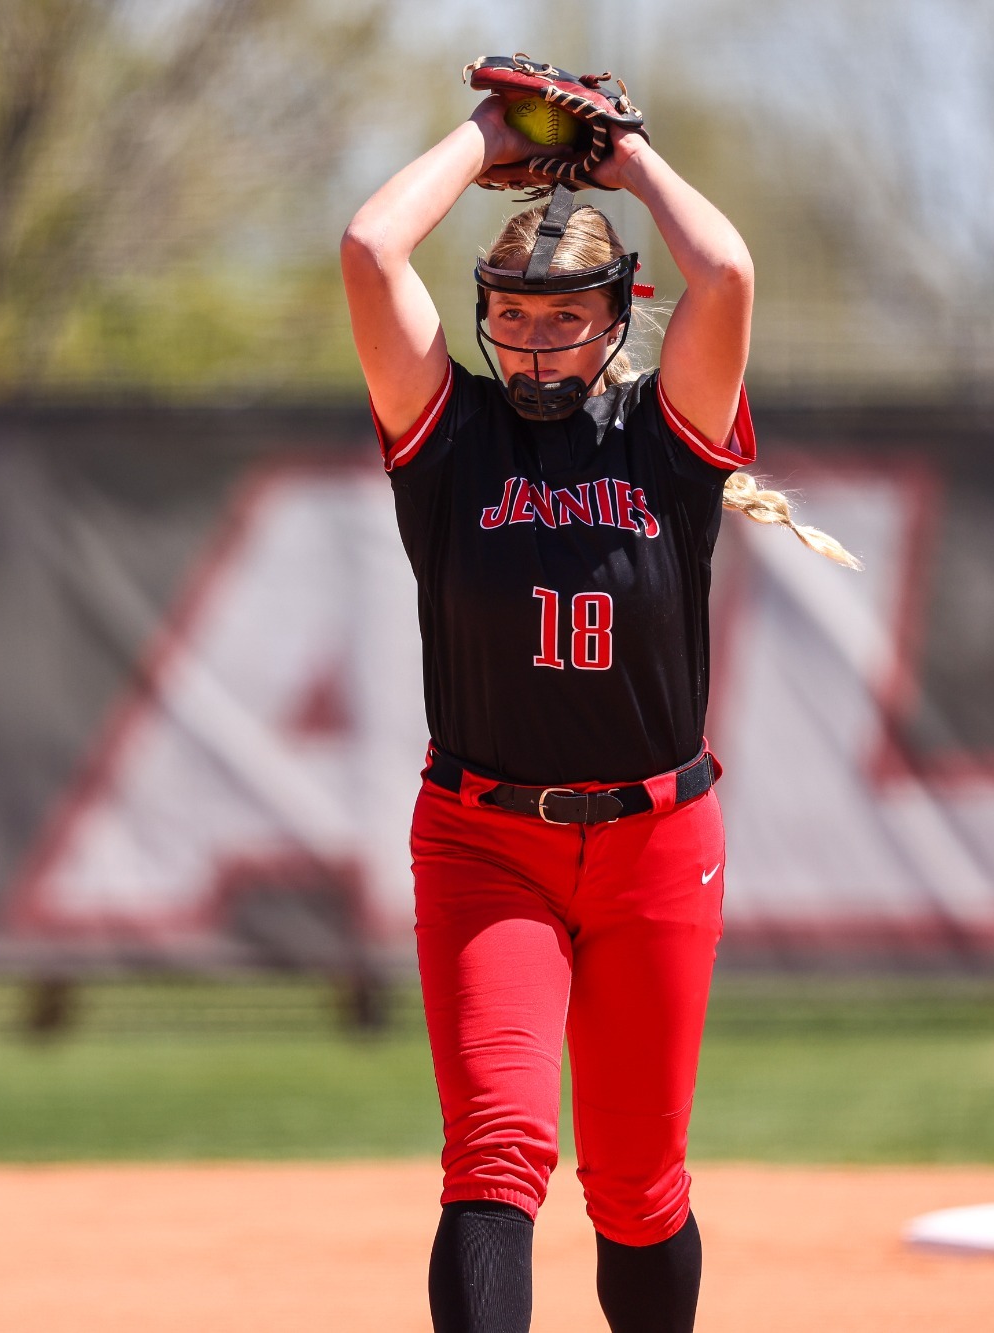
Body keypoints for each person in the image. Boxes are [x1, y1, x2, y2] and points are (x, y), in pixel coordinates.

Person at [338, 83, 855, 1333]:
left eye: (564, 318)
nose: (533, 345)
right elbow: (367, 248)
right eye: (510, 317)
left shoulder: (660, 437)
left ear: (617, 315)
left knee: (634, 1183)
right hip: (483, 842)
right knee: (494, 1154)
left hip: (655, 843)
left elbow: (724, 270)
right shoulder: (449, 433)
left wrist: (626, 159)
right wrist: (486, 140)